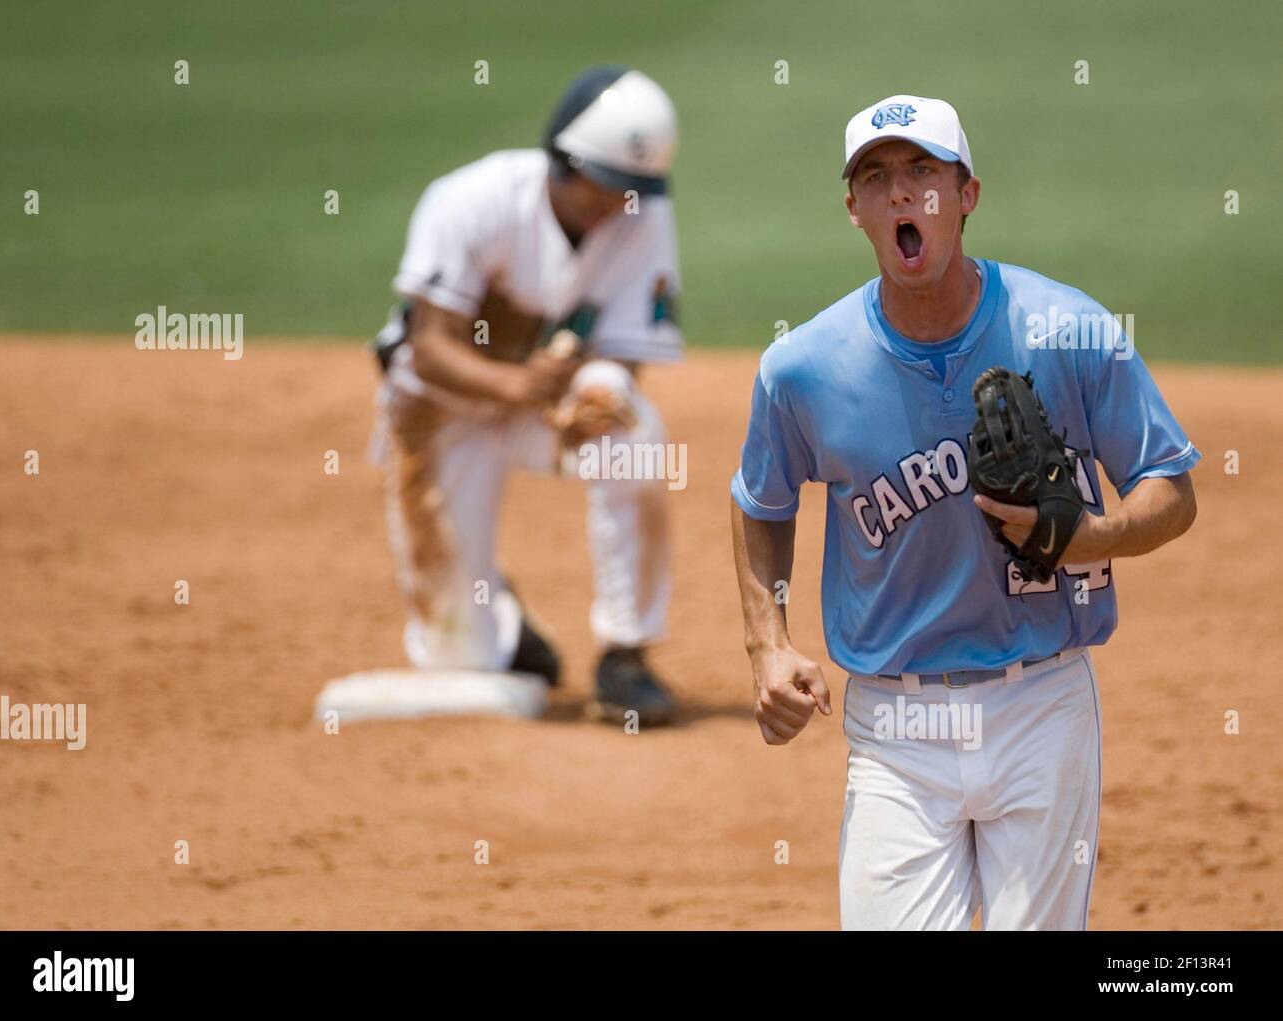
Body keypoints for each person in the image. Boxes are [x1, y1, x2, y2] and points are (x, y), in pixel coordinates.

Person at [729, 94, 1200, 928]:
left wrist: (1104, 534)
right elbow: (761, 501)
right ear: (855, 210)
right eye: (876, 178)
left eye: (923, 173)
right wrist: (768, 643)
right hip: (894, 725)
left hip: (1042, 705)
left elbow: (1170, 481)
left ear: (967, 194)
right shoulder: (801, 369)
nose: (902, 194)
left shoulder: (1066, 330)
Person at [371, 66, 683, 725]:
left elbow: (626, 350)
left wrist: (600, 392)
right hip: (439, 413)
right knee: (460, 658)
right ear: (564, 161)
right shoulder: (471, 200)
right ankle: (504, 622)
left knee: (634, 436)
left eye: (636, 188)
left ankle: (625, 653)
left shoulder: (641, 216)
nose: (621, 203)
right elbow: (429, 344)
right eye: (608, 183)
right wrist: (517, 383)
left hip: (544, 412)